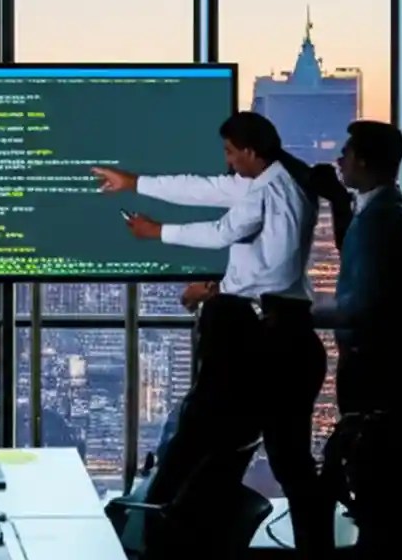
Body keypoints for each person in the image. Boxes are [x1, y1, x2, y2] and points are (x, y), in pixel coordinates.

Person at [93, 111, 330, 557]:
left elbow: (228, 235)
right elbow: (199, 188)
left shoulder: (274, 193)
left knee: (244, 451)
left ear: (250, 151)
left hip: (268, 340)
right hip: (276, 334)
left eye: (229, 152)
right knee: (283, 460)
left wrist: (155, 232)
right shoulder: (267, 180)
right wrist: (134, 182)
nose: (226, 162)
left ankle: (163, 535)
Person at [315, 120, 402, 440]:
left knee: (372, 463)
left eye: (345, 153)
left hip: (373, 366)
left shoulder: (380, 219)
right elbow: (356, 249)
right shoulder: (398, 207)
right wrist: (338, 200)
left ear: (362, 160)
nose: (339, 161)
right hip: (393, 358)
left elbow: (360, 308)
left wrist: (299, 315)